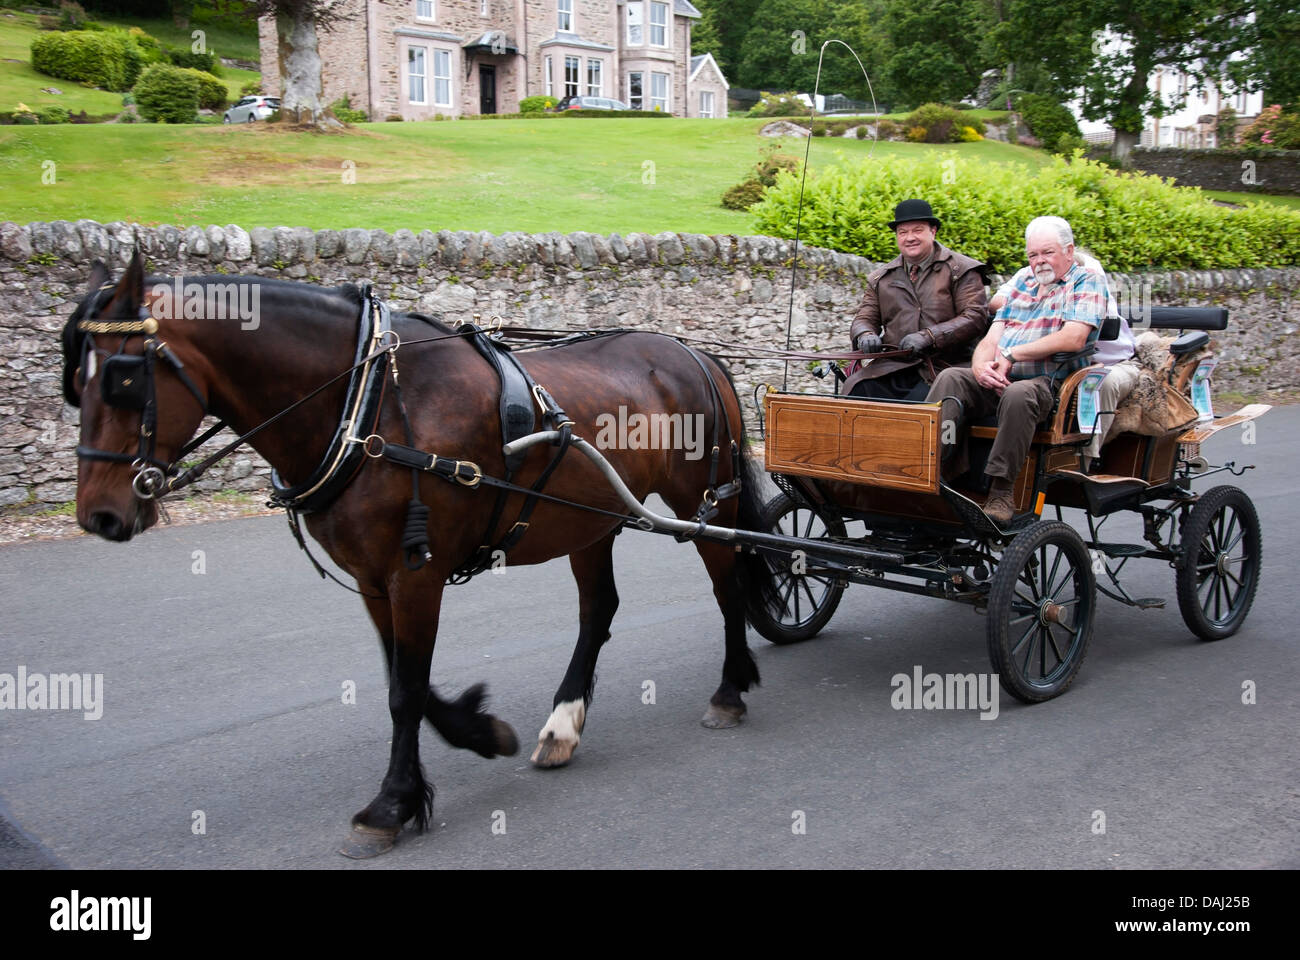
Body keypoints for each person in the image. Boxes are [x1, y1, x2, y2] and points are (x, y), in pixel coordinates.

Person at [926, 215, 1109, 525]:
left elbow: (1074, 337)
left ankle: (1001, 490)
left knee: (1019, 393)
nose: (1039, 261)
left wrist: (1011, 355)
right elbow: (991, 338)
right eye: (1033, 254)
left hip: (1049, 383)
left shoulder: (1086, 280)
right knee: (951, 378)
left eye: (1047, 252)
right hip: (1001, 373)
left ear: (1069, 250)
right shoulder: (1024, 280)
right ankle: (930, 470)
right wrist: (981, 366)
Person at [990, 245, 1140, 471]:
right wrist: (1033, 306)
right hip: (1067, 362)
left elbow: (1080, 328)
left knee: (1101, 382)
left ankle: (1087, 459)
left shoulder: (1089, 273)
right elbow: (997, 301)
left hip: (1112, 360)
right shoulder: (1030, 275)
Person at [844, 199, 989, 402]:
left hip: (945, 367)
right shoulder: (881, 278)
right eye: (903, 232)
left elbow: (975, 317)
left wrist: (929, 336)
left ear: (933, 231)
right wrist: (865, 333)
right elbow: (864, 317)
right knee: (858, 391)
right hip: (892, 367)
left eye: (917, 230)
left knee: (918, 407)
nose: (909, 238)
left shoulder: (961, 270)